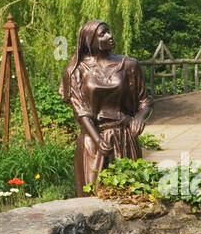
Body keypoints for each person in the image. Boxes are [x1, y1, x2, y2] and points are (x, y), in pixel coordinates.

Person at [58, 20, 152, 196]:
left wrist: (140, 118)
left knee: (130, 196)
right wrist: (97, 140)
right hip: (93, 141)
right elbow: (80, 111)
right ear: (89, 40)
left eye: (108, 32)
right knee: (92, 197)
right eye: (103, 34)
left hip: (124, 137)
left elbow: (144, 101)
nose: (110, 36)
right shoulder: (76, 71)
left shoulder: (129, 65)